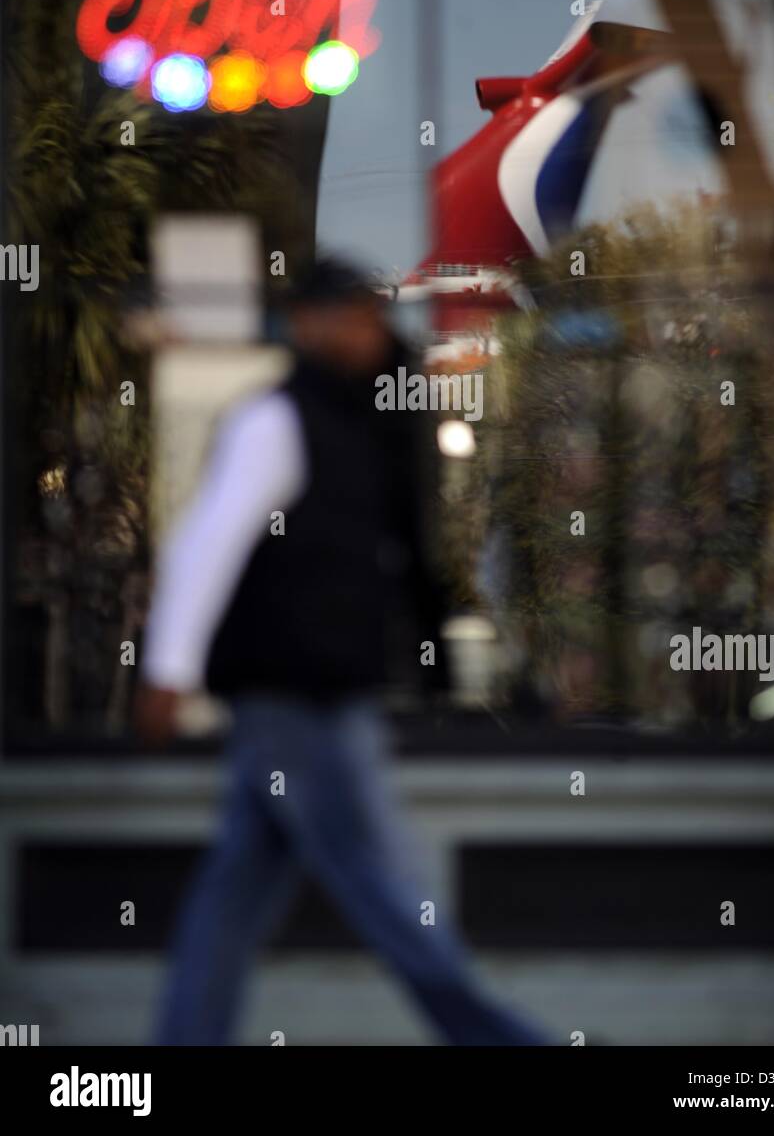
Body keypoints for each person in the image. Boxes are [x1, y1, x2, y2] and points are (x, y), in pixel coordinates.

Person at [136, 256, 547, 1046]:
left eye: (367, 314)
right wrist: (166, 671)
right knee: (387, 891)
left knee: (237, 889)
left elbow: (412, 555)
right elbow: (205, 549)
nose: (360, 330)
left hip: (311, 693)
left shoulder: (376, 420)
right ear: (304, 324)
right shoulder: (278, 419)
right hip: (299, 699)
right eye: (342, 315)